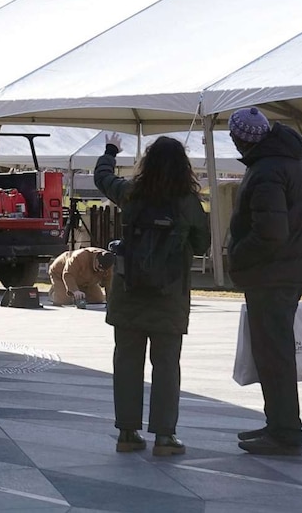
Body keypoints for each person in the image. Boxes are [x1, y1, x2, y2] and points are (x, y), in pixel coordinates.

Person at [94, 134, 210, 456]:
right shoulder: (188, 203)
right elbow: (202, 245)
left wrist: (110, 151)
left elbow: (102, 178)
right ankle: (164, 437)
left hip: (129, 291)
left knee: (127, 362)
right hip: (169, 295)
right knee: (166, 366)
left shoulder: (132, 194)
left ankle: (127, 434)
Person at [226, 107, 302, 456]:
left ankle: (284, 431)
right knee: (274, 352)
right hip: (287, 270)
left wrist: (236, 255)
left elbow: (270, 232)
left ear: (243, 138)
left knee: (274, 354)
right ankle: (280, 425)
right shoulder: (287, 159)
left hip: (273, 274)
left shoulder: (267, 170)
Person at [48, 246, 113, 308]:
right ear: (97, 259)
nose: (101, 270)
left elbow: (108, 282)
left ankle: (77, 290)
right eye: (99, 267)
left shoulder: (108, 265)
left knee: (97, 299)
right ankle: (54, 291)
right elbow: (68, 274)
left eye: (103, 270)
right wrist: (75, 290)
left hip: (85, 280)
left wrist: (110, 300)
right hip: (60, 274)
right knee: (64, 301)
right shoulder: (79, 256)